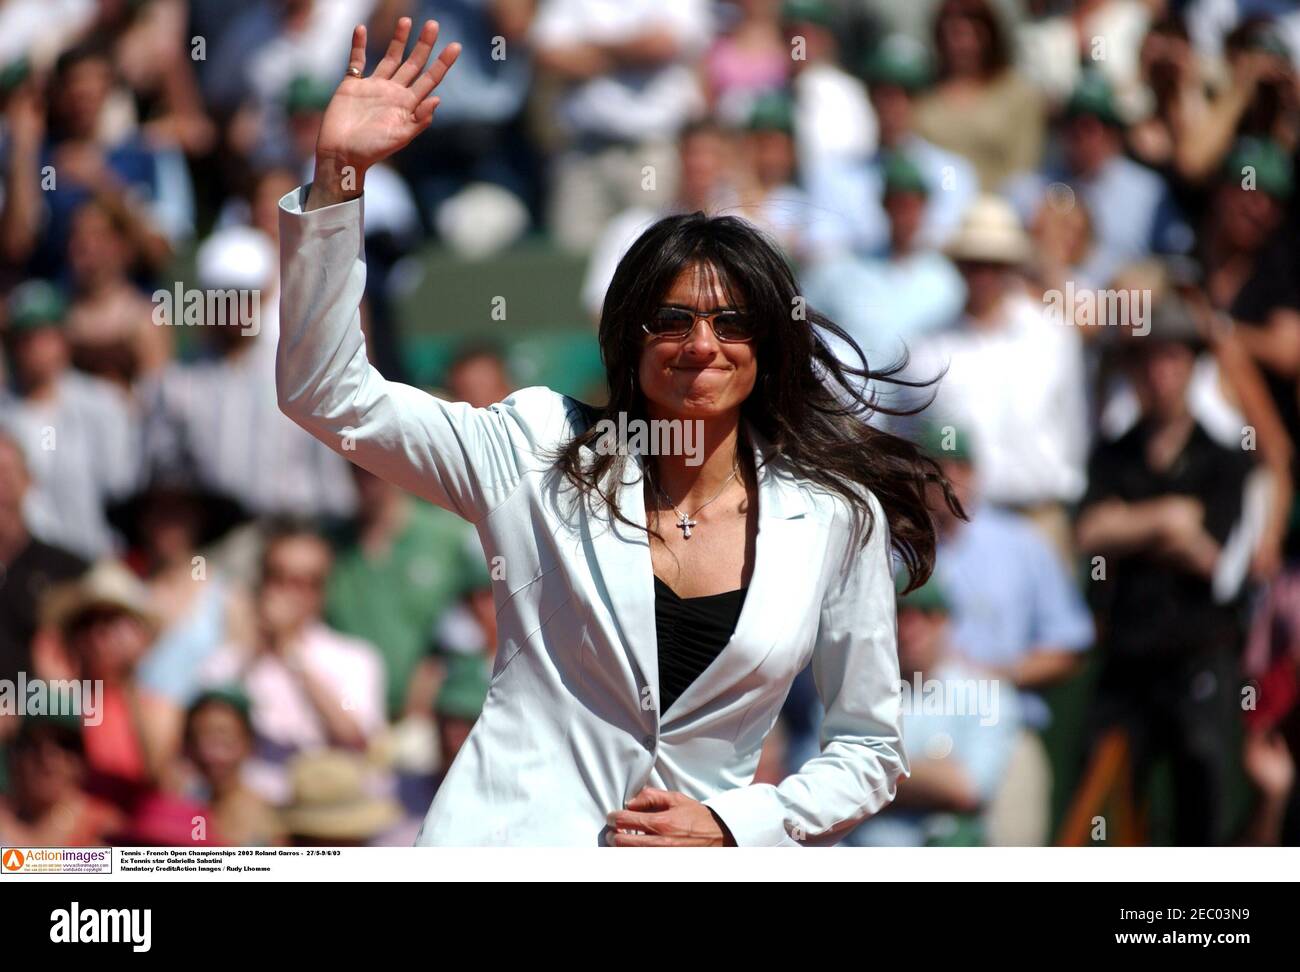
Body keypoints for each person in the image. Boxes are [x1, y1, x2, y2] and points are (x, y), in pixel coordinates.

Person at [275, 18, 959, 846]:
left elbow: (868, 749)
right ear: (630, 340)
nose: (702, 344)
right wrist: (339, 174)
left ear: (767, 349)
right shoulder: (532, 446)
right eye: (673, 319)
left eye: (733, 323)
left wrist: (735, 821)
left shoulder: (838, 517)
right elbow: (328, 392)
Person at [1075, 296, 1256, 845]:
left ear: (1191, 366)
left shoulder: (1223, 457)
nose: (1159, 373)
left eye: (1172, 358)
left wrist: (1127, 525)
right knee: (1097, 792)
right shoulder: (1114, 454)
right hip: (1127, 654)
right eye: (1147, 359)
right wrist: (1168, 519)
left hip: (1197, 654)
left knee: (1201, 784)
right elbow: (1089, 534)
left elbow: (1212, 557)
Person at [844, 574, 1020, 847]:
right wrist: (928, 776)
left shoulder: (985, 694)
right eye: (899, 615)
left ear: (944, 621)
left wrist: (870, 774)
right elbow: (827, 791)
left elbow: (968, 788)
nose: (908, 630)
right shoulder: (853, 693)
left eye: (924, 614)